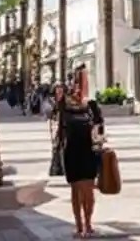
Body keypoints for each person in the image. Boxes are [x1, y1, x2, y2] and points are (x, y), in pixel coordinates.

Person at [57, 72, 101, 238]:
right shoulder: (65, 106)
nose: (78, 88)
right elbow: (59, 126)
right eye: (75, 84)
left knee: (88, 190)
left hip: (89, 150)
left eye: (81, 84)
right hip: (72, 151)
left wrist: (99, 138)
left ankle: (88, 223)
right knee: (76, 190)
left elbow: (100, 126)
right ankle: (78, 225)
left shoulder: (92, 106)